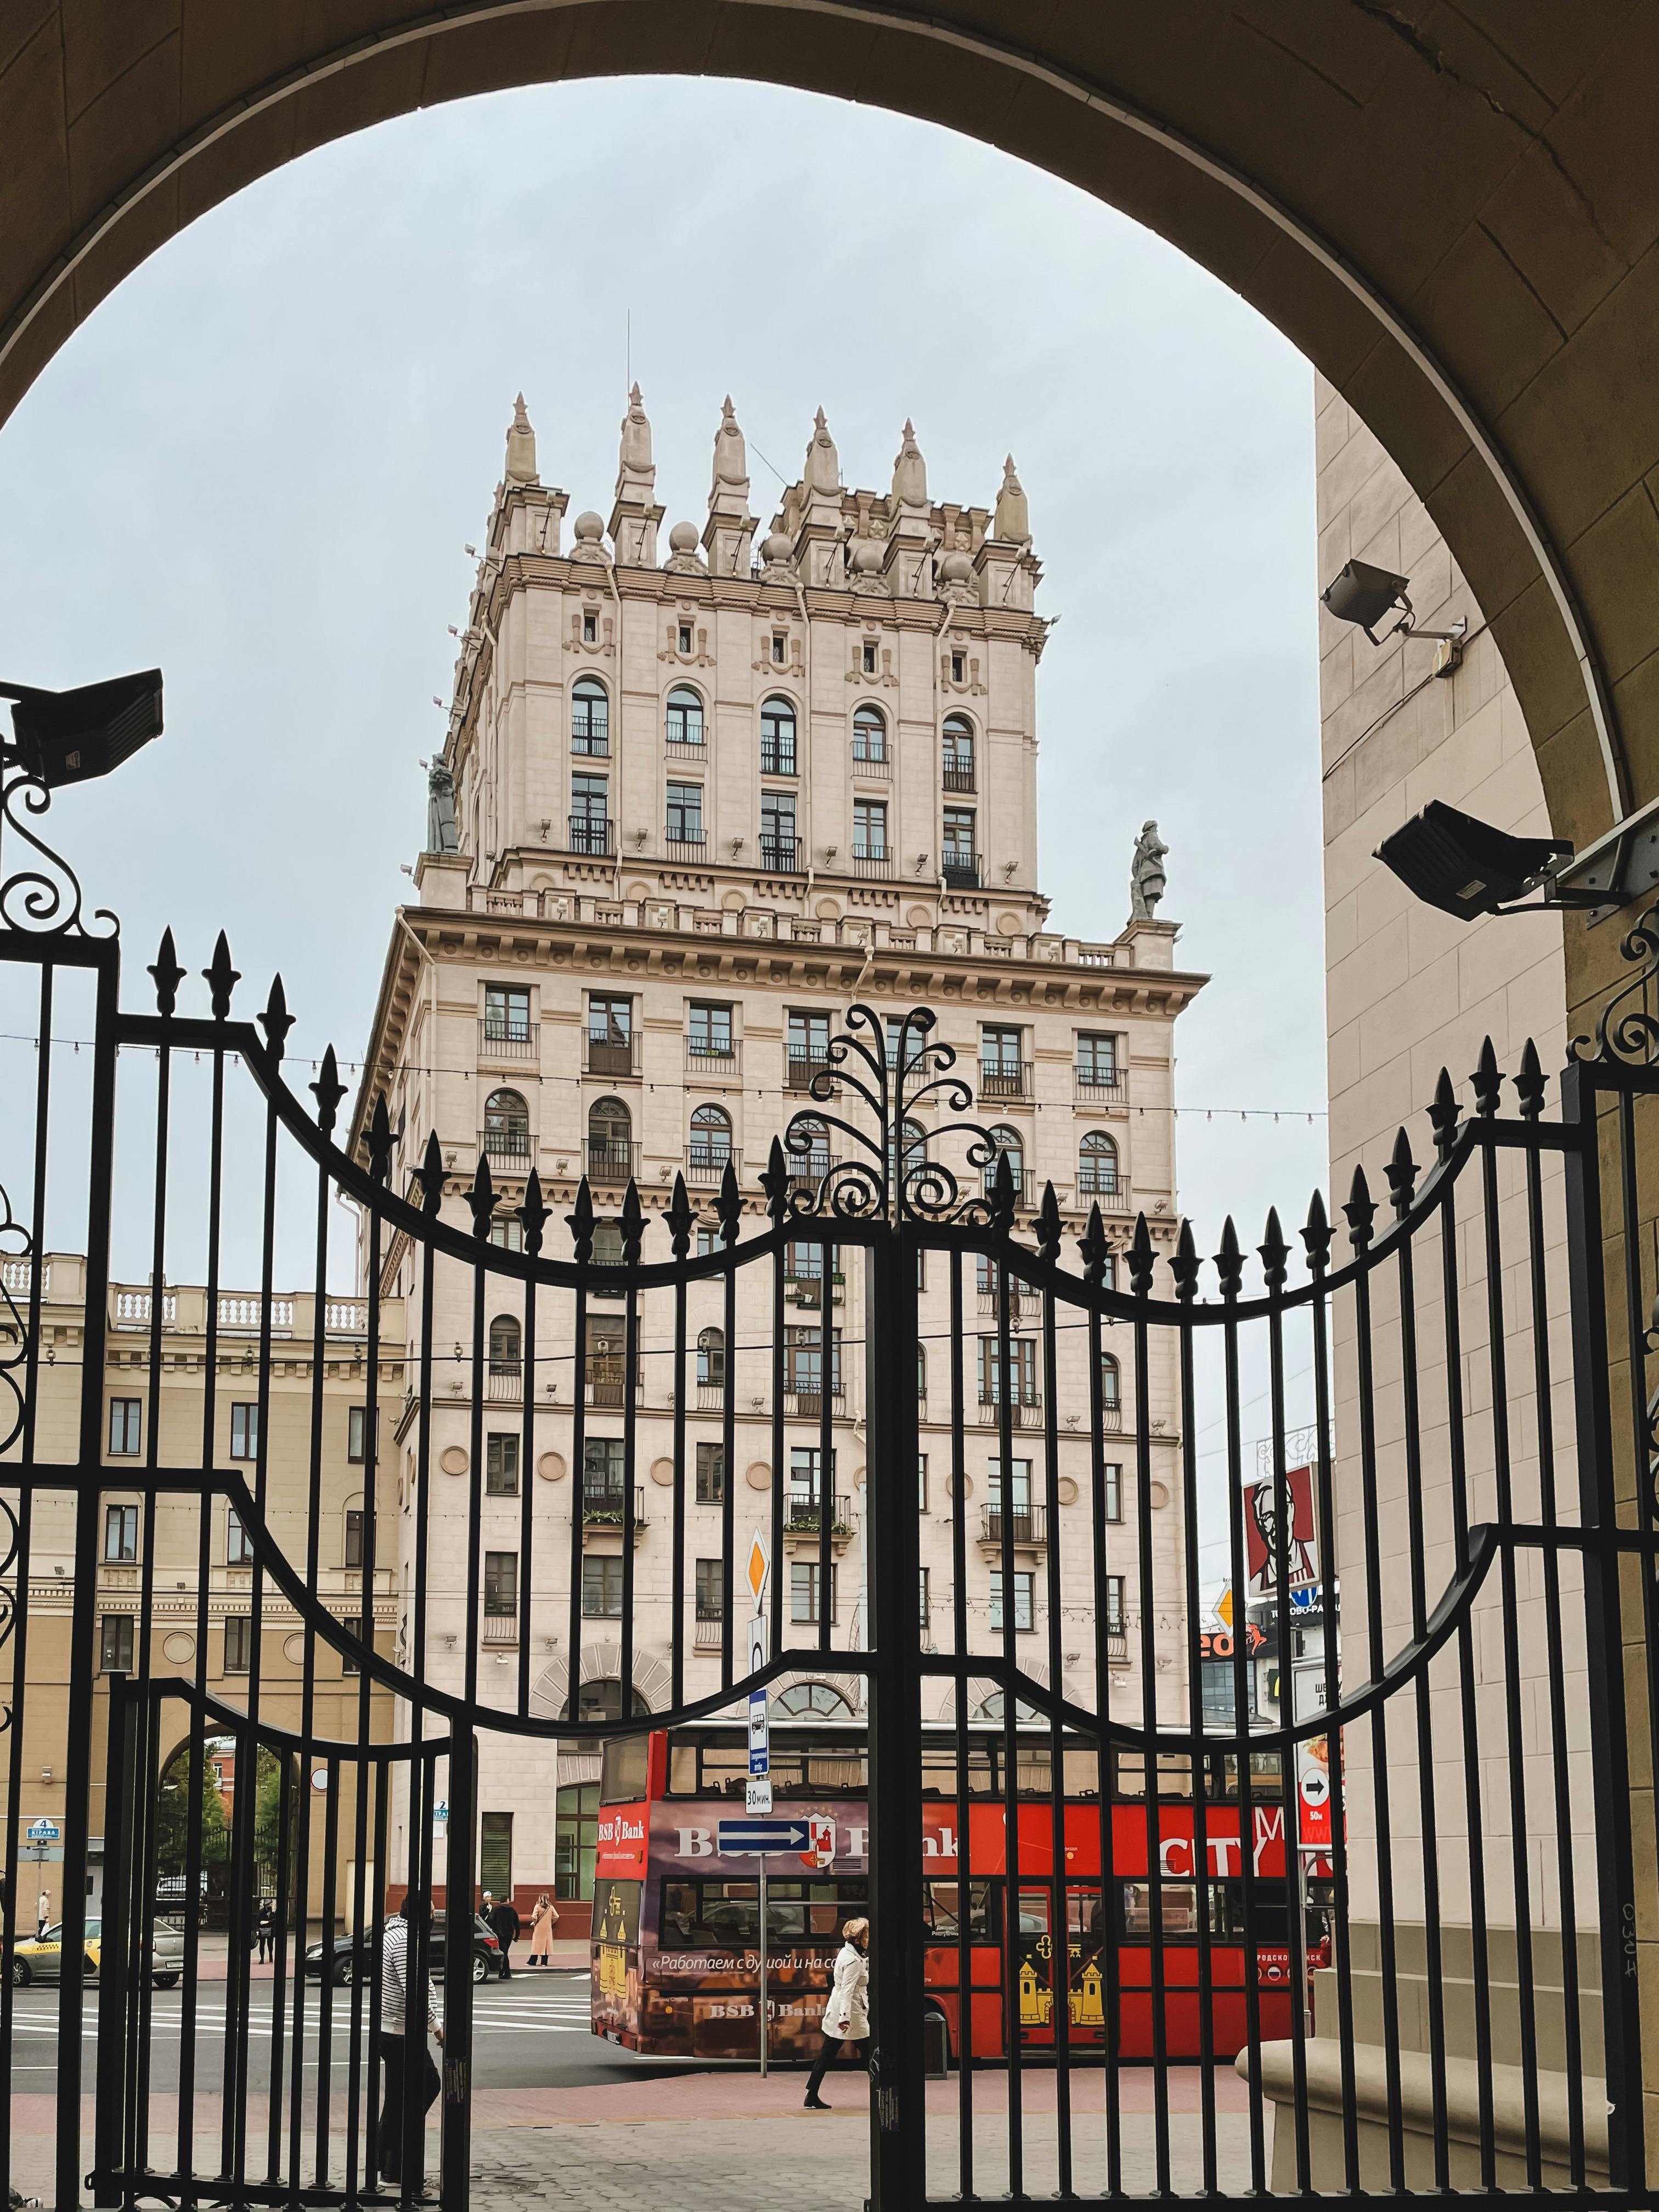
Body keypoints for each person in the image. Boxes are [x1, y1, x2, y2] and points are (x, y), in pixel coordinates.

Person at [378, 1892, 443, 2191]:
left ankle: (391, 2168)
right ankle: (395, 2151)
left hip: (395, 2031)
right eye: (431, 1912)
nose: (434, 1917)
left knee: (397, 2098)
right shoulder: (405, 1941)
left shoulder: (396, 1934)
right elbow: (414, 1992)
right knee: (428, 2085)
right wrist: (437, 2029)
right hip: (402, 2032)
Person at [803, 1917, 870, 2111]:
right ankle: (882, 2091)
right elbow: (848, 1991)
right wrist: (845, 2018)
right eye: (867, 1934)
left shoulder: (847, 1952)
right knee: (870, 2052)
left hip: (841, 2009)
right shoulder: (853, 1962)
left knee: (827, 2054)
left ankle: (812, 2094)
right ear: (860, 1938)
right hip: (851, 2015)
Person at [487, 1889, 521, 1977]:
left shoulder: (497, 1910)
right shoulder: (512, 1910)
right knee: (505, 1952)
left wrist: (494, 1930)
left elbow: (491, 1920)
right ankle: (503, 1973)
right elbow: (517, 1924)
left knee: (503, 1953)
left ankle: (506, 1973)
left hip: (499, 1935)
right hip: (509, 1935)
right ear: (507, 1901)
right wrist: (517, 1936)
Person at [526, 1894, 558, 1967]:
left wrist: (535, 1922)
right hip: (548, 1929)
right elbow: (556, 1916)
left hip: (539, 1928)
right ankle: (544, 1962)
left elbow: (534, 1917)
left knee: (536, 1945)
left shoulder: (537, 1906)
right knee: (546, 1945)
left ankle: (532, 1961)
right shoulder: (551, 1907)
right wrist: (551, 1922)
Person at [255, 1898, 274, 1962]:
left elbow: (275, 1920)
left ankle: (271, 1956)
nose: (270, 1906)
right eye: (269, 1905)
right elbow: (257, 1922)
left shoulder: (272, 1912)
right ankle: (262, 1959)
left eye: (271, 1905)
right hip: (262, 1930)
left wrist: (267, 1922)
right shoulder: (261, 1912)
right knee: (262, 1945)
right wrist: (257, 1931)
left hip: (270, 1929)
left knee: (270, 1944)